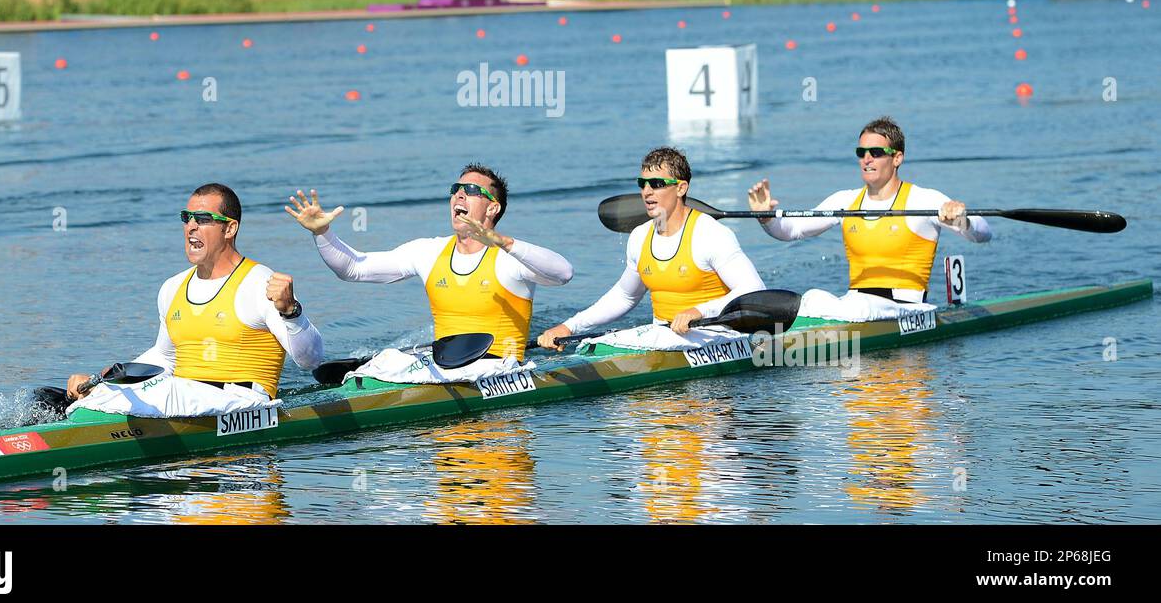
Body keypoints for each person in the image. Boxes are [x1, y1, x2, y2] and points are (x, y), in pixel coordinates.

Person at [66, 183, 324, 415]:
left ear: (230, 228)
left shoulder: (260, 283)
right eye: (186, 218)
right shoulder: (172, 287)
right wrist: (103, 381)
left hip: (243, 402)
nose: (191, 226)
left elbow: (310, 360)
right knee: (93, 392)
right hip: (182, 397)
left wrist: (291, 311)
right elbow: (166, 358)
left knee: (167, 392)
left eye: (202, 219)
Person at [286, 165, 573, 361]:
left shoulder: (511, 259)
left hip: (501, 370)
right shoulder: (428, 252)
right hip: (447, 370)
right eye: (456, 188)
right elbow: (352, 268)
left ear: (493, 208)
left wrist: (504, 242)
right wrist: (321, 232)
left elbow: (563, 274)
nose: (459, 194)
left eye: (472, 190)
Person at [746, 116, 991, 319]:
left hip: (908, 309)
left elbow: (983, 233)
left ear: (897, 158)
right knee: (813, 297)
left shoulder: (922, 199)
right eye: (861, 152)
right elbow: (791, 230)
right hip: (856, 306)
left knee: (856, 307)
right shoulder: (845, 201)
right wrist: (765, 217)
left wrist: (962, 219)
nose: (867, 158)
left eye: (876, 152)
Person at [537, 147, 765, 349]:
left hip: (716, 334)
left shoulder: (710, 234)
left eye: (657, 184)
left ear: (681, 188)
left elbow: (753, 289)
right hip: (665, 336)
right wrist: (569, 327)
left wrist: (699, 312)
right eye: (642, 184)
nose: (646, 192)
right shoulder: (639, 236)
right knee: (593, 346)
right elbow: (625, 296)